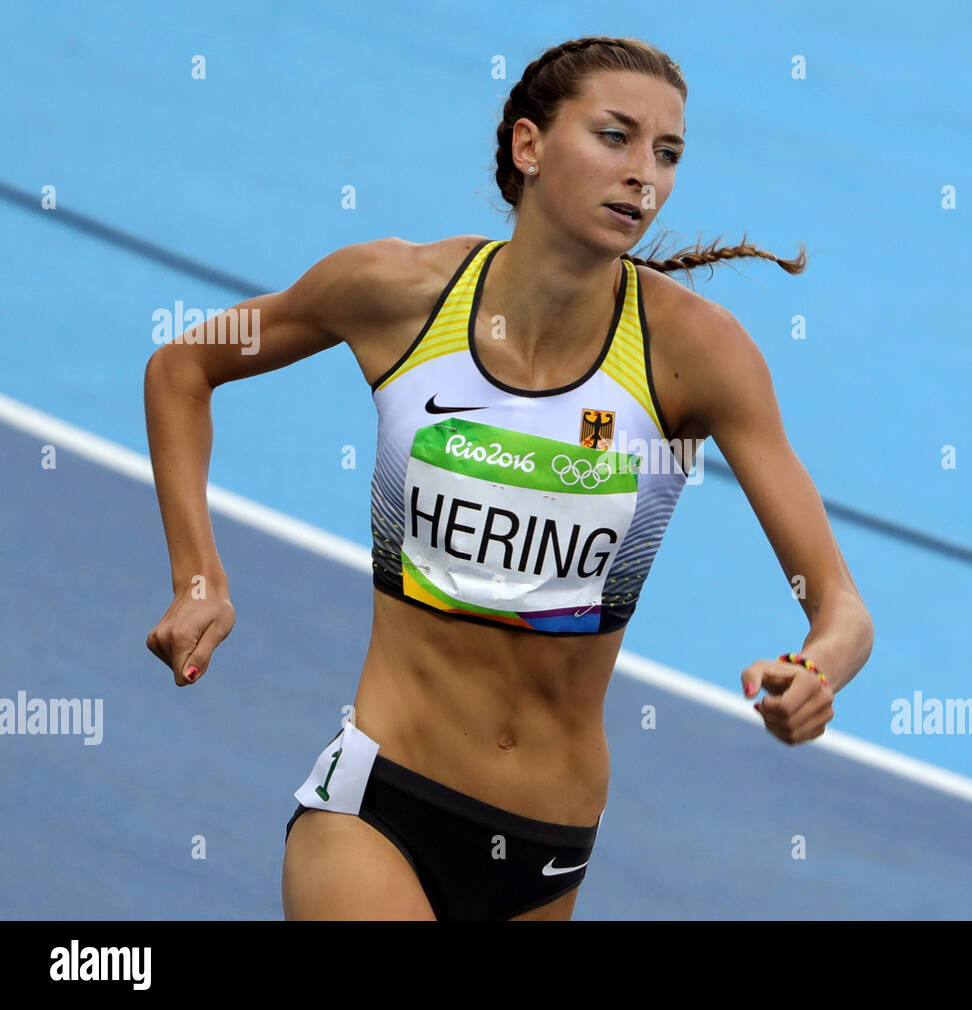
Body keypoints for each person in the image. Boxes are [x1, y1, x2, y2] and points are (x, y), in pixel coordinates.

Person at [143, 35, 874, 921]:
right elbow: (185, 367)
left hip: (545, 847)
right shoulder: (397, 294)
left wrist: (815, 670)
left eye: (668, 153)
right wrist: (199, 577)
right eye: (615, 137)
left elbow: (839, 606)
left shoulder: (696, 355)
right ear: (529, 146)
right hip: (375, 800)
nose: (645, 174)